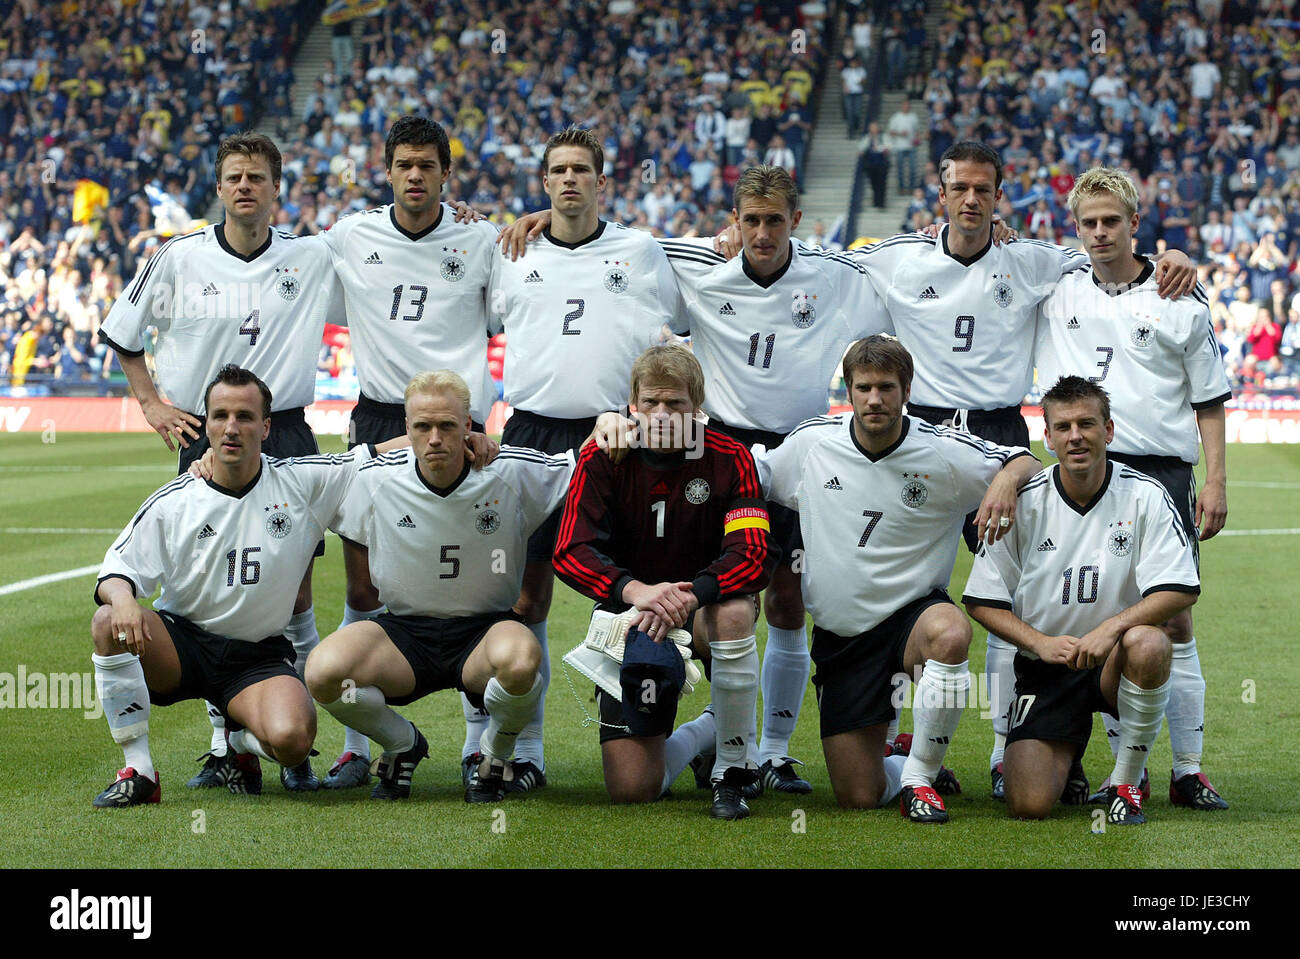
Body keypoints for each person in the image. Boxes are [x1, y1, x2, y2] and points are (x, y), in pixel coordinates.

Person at [843, 141, 1196, 798]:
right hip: (917, 434)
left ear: (1000, 196)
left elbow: (1115, 257)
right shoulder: (896, 256)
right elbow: (817, 261)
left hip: (1001, 434)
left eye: (984, 189)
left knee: (1018, 590)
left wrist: (1172, 256)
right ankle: (907, 741)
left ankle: (1011, 743)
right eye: (960, 188)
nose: (972, 199)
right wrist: (726, 237)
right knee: (908, 586)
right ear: (939, 193)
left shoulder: (1034, 258)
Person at [98, 132, 343, 792]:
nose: (245, 187)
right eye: (234, 176)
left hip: (285, 429)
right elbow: (122, 334)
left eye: (257, 177)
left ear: (276, 188)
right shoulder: (179, 258)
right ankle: (224, 744)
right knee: (205, 581)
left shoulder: (312, 255)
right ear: (218, 186)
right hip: (208, 433)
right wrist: (152, 405)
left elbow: (396, 246)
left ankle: (292, 740)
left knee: (293, 589)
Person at [753, 336, 1042, 823]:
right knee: (858, 795)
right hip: (842, 637)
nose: (874, 399)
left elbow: (1026, 462)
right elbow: (750, 474)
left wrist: (1005, 479)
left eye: (886, 387)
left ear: (906, 389)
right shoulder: (813, 442)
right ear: (848, 389)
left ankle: (920, 778)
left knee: (950, 631)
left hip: (912, 621)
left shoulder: (944, 451)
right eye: (863, 387)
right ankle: (903, 760)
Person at [483, 126, 687, 793]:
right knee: (524, 594)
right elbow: (480, 318)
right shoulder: (511, 251)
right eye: (558, 170)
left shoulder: (642, 251)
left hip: (617, 441)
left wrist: (733, 237)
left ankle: (641, 733)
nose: (569, 179)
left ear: (603, 181)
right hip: (532, 436)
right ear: (543, 182)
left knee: (626, 590)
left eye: (582, 170)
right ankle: (525, 749)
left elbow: (692, 314)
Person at [1033, 167, 1231, 810]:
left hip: (1161, 473)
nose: (1098, 233)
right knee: (1084, 612)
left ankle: (1190, 769)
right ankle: (1129, 768)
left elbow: (1208, 402)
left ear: (1134, 223)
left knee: (1171, 618)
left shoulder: (1180, 296)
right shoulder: (1058, 285)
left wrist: (1216, 483)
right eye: (1088, 222)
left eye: (1110, 221)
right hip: (1081, 472)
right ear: (1076, 227)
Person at [89, 366, 376, 807]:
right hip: (182, 646)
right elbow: (115, 571)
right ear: (206, 424)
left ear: (265, 426)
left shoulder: (301, 481)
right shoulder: (176, 499)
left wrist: (454, 441)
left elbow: (372, 457)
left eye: (244, 416)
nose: (231, 427)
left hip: (256, 657)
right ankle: (140, 770)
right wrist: (125, 598)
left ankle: (238, 744)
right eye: (220, 415)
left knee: (293, 740)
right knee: (108, 620)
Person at [317, 114, 502, 790]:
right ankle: (359, 745)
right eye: (405, 165)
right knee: (363, 584)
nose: (416, 175)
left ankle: (478, 746)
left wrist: (532, 216)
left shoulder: (483, 239)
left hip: (458, 423)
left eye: (428, 164)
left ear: (446, 174)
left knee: (471, 583)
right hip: (377, 419)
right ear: (388, 170)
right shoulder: (349, 236)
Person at [304, 370, 575, 802]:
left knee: (522, 659)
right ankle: (402, 744)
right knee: (322, 672)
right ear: (406, 431)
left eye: (447, 426)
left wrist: (612, 426)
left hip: (484, 634)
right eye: (422, 427)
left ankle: (493, 755)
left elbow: (583, 466)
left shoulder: (512, 472)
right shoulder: (374, 478)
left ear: (469, 426)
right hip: (404, 638)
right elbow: (285, 477)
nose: (434, 438)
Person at [962, 377, 1199, 825]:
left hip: (1113, 661)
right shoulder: (1023, 503)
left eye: (1087, 424)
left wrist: (1111, 630)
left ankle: (1127, 782)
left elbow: (1180, 588)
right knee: (1028, 805)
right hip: (1047, 664)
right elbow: (982, 601)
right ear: (1047, 437)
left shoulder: (1146, 495)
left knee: (1149, 643)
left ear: (1108, 431)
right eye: (1064, 426)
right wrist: (1041, 643)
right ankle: (1068, 757)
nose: (1076, 436)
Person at [552, 345, 776, 819]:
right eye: (650, 402)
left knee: (736, 611)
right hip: (629, 614)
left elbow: (753, 553)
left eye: (674, 403)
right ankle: (710, 728)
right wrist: (637, 593)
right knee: (633, 789)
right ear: (631, 405)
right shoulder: (603, 454)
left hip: (701, 608)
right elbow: (570, 549)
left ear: (698, 408)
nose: (661, 414)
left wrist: (689, 594)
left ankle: (732, 769)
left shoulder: (730, 457)